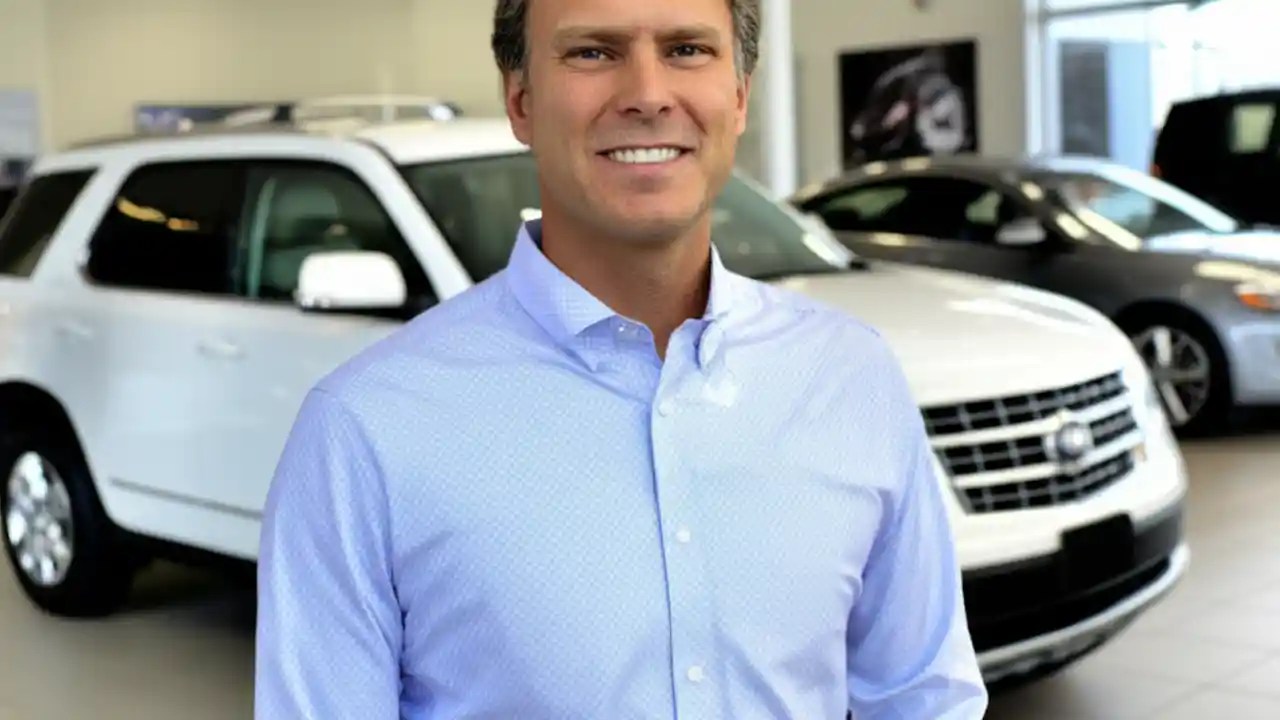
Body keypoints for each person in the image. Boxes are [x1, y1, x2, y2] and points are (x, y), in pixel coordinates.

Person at [253, 0, 989, 717]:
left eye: (687, 49)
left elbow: (925, 698)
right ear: (521, 100)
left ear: (737, 95)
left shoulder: (851, 376)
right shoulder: (364, 429)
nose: (646, 94)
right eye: (593, 52)